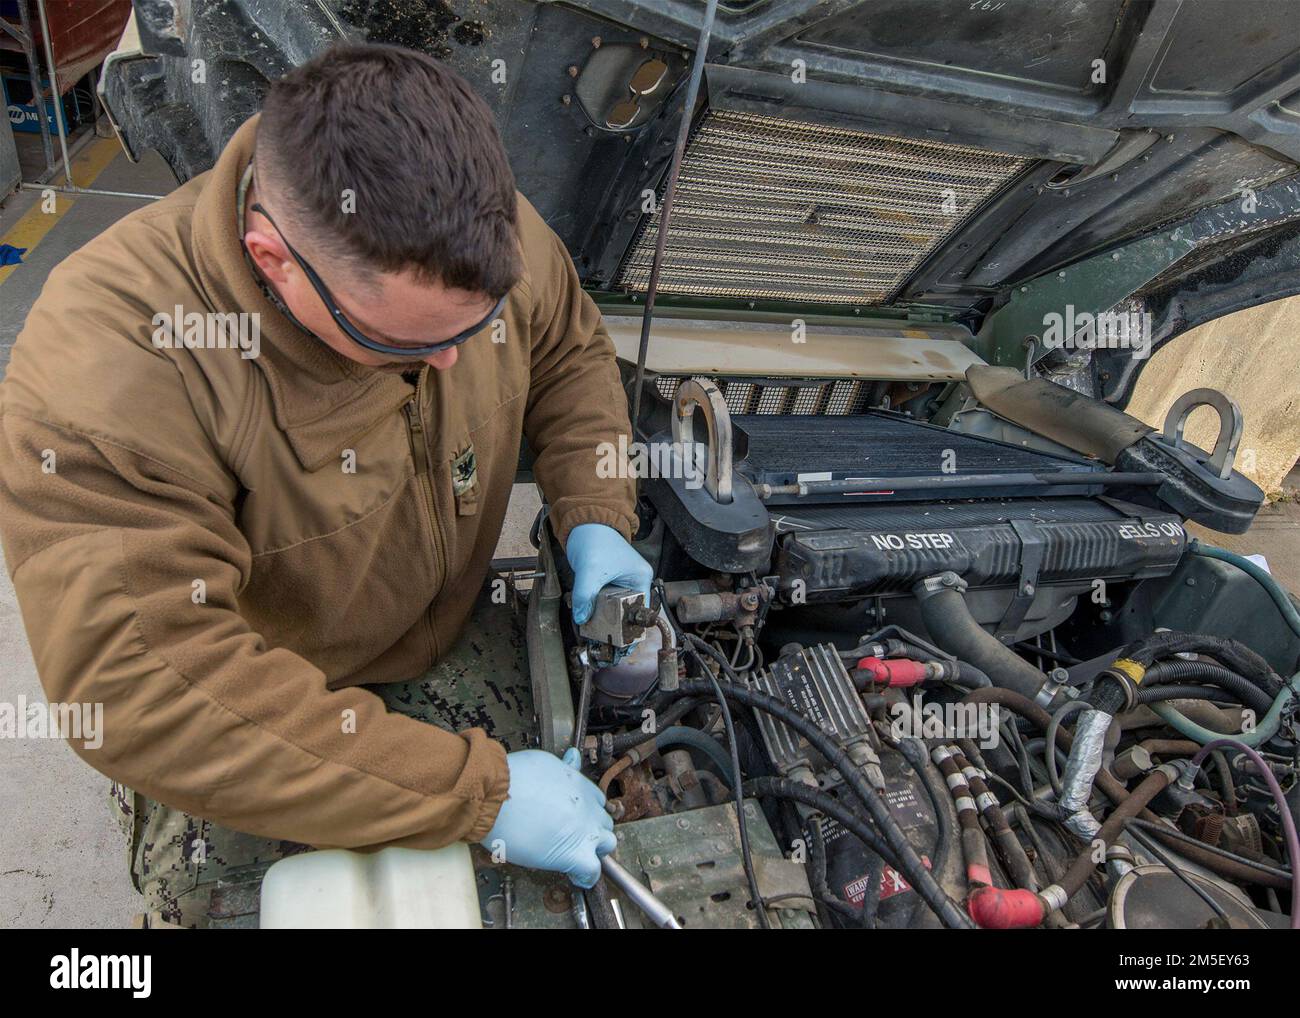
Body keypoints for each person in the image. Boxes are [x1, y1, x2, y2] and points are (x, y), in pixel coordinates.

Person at [0, 43, 651, 927]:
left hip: (448, 638)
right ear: (272, 259)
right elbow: (142, 691)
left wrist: (594, 511)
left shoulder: (461, 222)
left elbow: (570, 349)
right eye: (403, 342)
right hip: (259, 705)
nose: (451, 360)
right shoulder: (110, 370)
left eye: (477, 324)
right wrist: (477, 797)